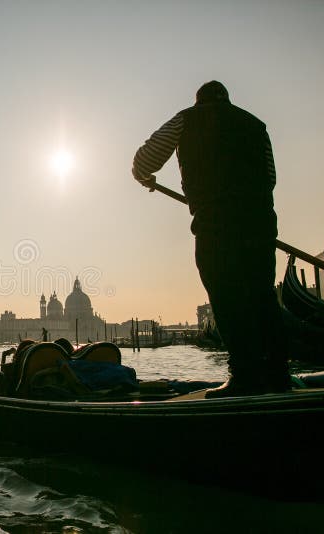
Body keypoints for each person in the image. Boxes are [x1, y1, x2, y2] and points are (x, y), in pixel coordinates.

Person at [131, 80, 290, 398]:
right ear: (228, 101)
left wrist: (144, 176)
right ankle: (277, 374)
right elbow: (271, 179)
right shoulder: (256, 125)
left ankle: (245, 376)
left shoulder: (187, 119)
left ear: (199, 101)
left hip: (217, 224)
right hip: (260, 223)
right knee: (262, 298)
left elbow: (145, 159)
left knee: (228, 297)